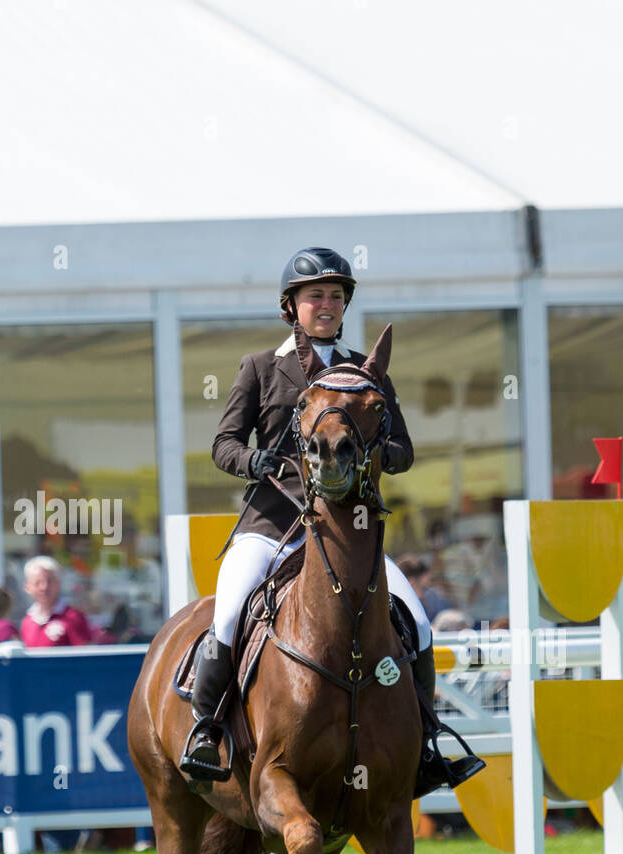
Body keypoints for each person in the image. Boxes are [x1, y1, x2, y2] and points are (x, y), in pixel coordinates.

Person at [181, 246, 483, 797]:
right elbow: (224, 445)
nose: (326, 304)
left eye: (336, 297)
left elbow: (404, 449)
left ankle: (429, 740)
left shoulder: (364, 374)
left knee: (416, 621)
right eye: (315, 295)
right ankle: (208, 733)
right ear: (290, 306)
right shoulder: (259, 368)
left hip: (349, 530)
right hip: (273, 525)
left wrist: (378, 456)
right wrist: (255, 460)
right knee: (226, 616)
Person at [20, 557, 96, 647]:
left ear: (58, 583)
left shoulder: (73, 617)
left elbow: (86, 656)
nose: (44, 587)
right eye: (38, 582)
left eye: (49, 581)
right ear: (27, 587)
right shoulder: (27, 622)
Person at [395, 553, 451, 622]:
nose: (429, 578)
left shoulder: (437, 601)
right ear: (411, 582)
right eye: (424, 588)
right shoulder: (397, 611)